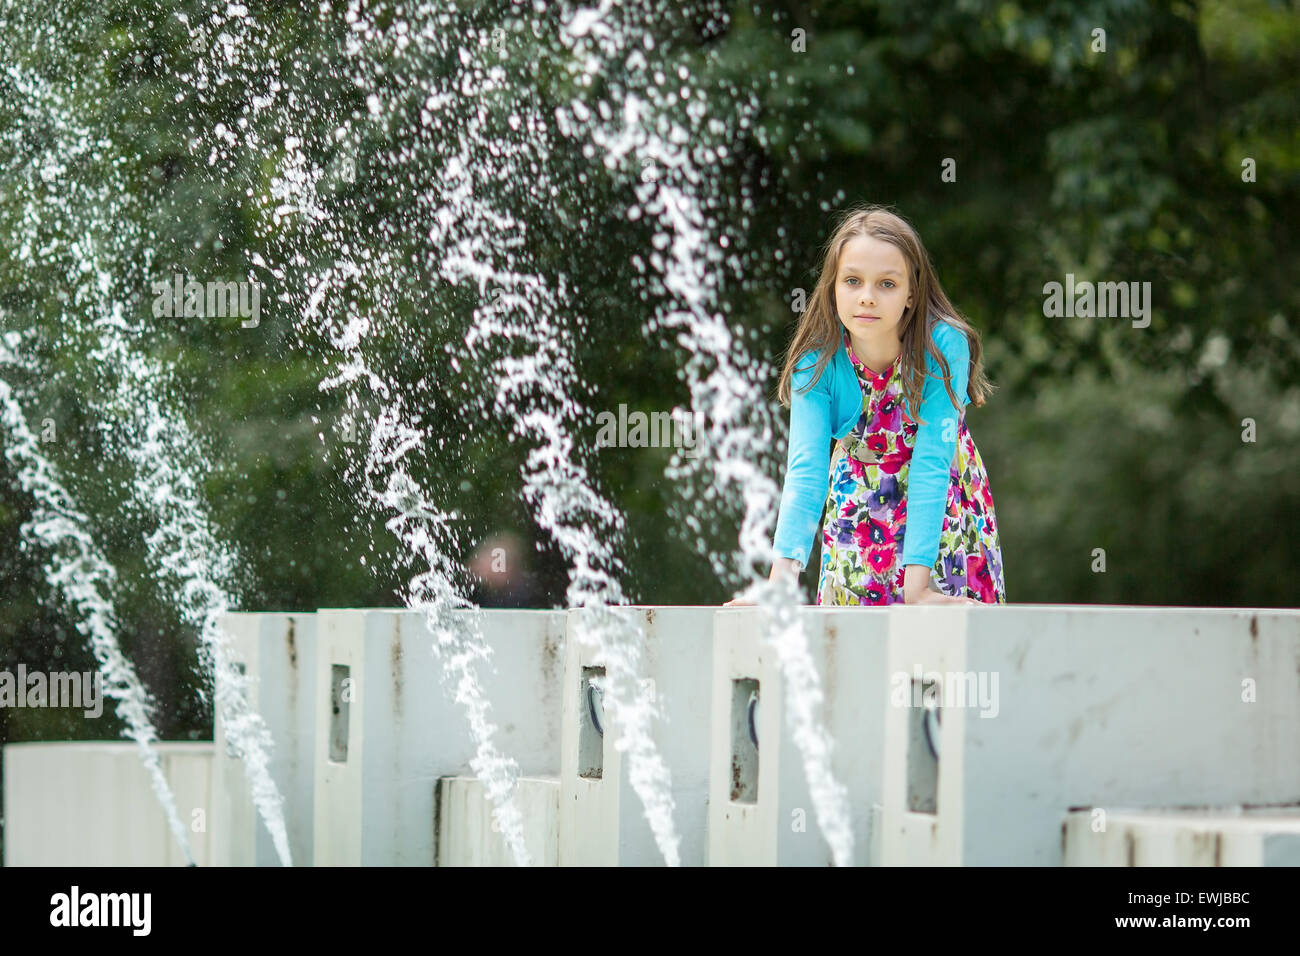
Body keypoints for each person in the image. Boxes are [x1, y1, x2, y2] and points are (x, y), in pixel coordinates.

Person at [727, 205, 1006, 607]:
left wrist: (919, 591)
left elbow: (932, 461)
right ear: (833, 287)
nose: (867, 298)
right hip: (858, 510)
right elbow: (806, 470)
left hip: (942, 509)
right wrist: (779, 586)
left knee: (943, 649)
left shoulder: (943, 348)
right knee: (853, 651)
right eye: (853, 281)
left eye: (887, 284)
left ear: (912, 292)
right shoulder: (817, 362)